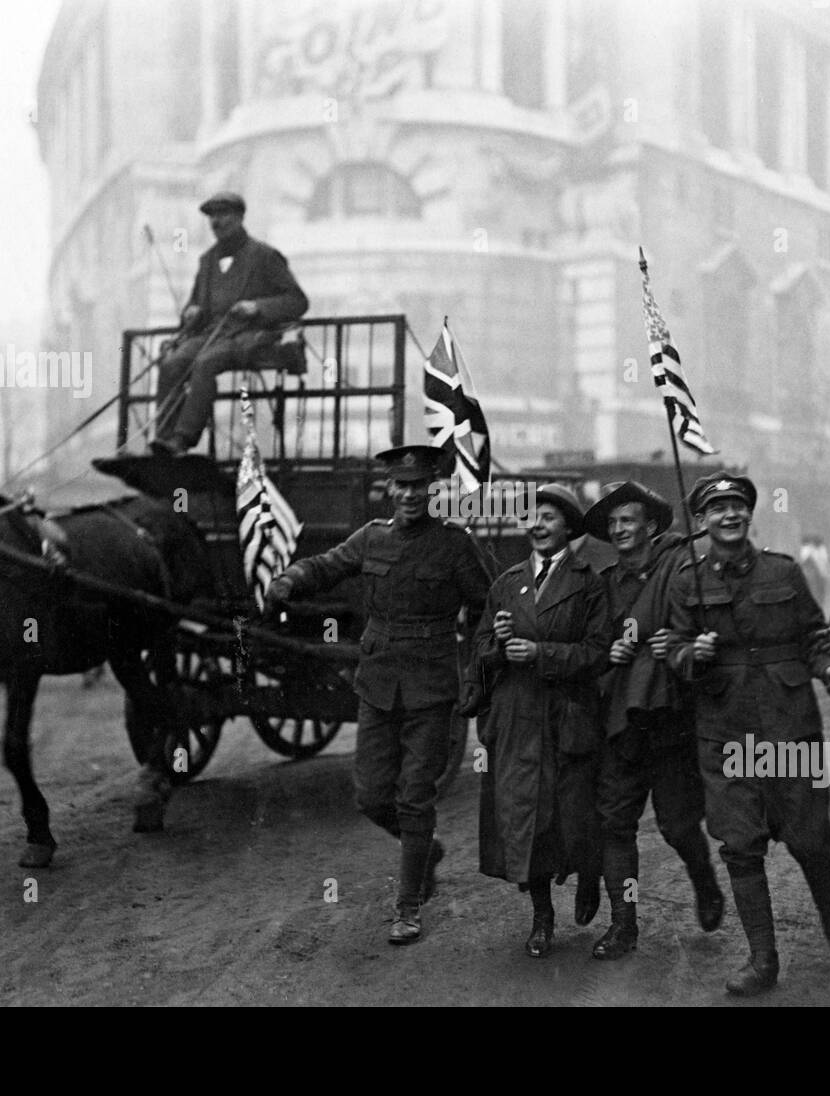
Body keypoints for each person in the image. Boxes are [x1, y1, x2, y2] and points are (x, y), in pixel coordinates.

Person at [263, 445, 490, 945]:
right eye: (401, 486)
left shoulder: (456, 546)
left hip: (431, 689)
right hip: (378, 683)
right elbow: (327, 564)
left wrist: (475, 666)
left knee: (414, 798)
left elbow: (486, 606)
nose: (410, 495)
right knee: (369, 797)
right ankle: (424, 849)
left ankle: (408, 906)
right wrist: (289, 579)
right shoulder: (373, 538)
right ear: (390, 490)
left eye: (420, 486)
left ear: (436, 490)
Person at [667, 473, 830, 997]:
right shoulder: (687, 581)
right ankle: (762, 959)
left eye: (736, 507)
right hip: (724, 732)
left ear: (749, 516)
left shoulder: (784, 571)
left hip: (789, 726)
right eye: (716, 509)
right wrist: (691, 655)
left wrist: (829, 668)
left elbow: (816, 637)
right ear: (701, 522)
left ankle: (827, 899)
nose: (728, 515)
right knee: (739, 843)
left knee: (806, 834)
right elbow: (673, 649)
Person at [583, 481, 723, 961]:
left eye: (629, 520)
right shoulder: (603, 585)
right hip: (622, 721)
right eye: (614, 523)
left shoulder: (681, 567)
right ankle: (624, 925)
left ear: (650, 526)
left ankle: (704, 881)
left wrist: (678, 640)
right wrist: (612, 651)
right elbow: (592, 647)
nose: (621, 529)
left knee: (678, 826)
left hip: (669, 717)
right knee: (615, 826)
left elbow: (705, 625)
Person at [471, 484, 610, 958]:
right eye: (532, 517)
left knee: (574, 817)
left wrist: (540, 652)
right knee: (525, 820)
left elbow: (597, 653)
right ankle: (542, 915)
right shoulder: (507, 583)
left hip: (568, 715)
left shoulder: (589, 581)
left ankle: (588, 875)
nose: (537, 525)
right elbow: (480, 654)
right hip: (517, 718)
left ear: (568, 527)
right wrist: (498, 643)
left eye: (548, 518)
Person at [152, 192, 309, 456]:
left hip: (249, 336)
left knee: (205, 363)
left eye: (223, 215)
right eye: (212, 216)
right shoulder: (208, 261)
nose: (216, 222)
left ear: (239, 217)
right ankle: (163, 438)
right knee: (173, 363)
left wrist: (257, 307)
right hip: (211, 335)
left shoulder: (264, 256)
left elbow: (297, 301)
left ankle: (183, 438)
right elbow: (195, 305)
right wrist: (191, 313)